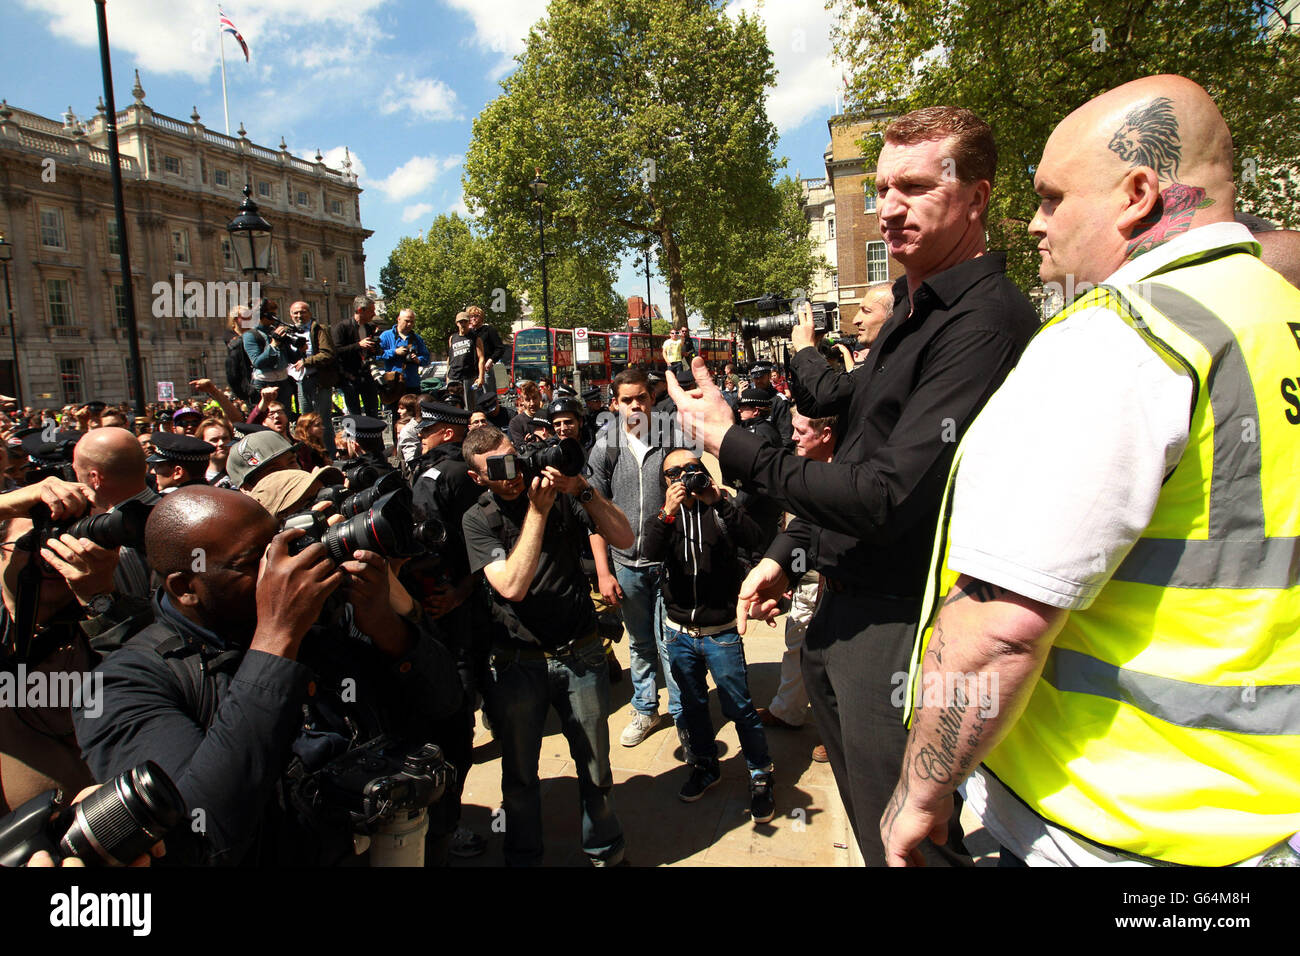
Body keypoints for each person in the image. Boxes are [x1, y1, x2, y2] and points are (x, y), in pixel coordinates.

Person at [880, 76, 1300, 869]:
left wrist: (921, 794)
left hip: (1102, 824)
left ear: (1139, 194)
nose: (1035, 223)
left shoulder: (1118, 339)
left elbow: (996, 629)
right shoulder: (1275, 313)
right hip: (1259, 823)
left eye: (1051, 196)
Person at [667, 105, 1039, 866]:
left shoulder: (986, 319)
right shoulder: (911, 308)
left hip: (900, 627)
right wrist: (786, 551)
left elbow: (884, 496)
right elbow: (859, 452)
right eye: (880, 188)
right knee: (877, 835)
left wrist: (736, 446)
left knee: (907, 845)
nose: (891, 207)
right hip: (841, 609)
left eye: (912, 187)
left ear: (976, 198)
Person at [74, 486, 462, 865]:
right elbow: (203, 837)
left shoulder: (323, 621)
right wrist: (277, 639)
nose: (282, 568)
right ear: (186, 587)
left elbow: (445, 702)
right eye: (252, 561)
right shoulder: (121, 685)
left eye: (279, 545)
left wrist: (384, 624)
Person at [460, 425, 633, 866]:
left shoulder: (559, 494)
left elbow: (624, 537)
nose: (512, 473)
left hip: (581, 651)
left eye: (512, 457)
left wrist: (583, 490)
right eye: (496, 469)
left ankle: (605, 851)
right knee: (519, 776)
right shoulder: (478, 519)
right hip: (518, 663)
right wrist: (538, 512)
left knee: (596, 767)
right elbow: (511, 586)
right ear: (478, 478)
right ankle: (523, 857)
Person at [0, 474, 152, 814]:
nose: (52, 550)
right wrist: (8, 502)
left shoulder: (115, 625)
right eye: (35, 539)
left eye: (68, 536)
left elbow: (150, 676)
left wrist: (100, 598)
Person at [640, 449, 774, 820]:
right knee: (694, 706)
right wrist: (667, 512)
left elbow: (755, 538)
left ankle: (760, 774)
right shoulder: (663, 518)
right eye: (673, 473)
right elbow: (648, 552)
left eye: (691, 469)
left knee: (739, 706)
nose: (683, 477)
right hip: (679, 632)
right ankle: (704, 766)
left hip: (721, 632)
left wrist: (720, 501)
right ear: (664, 481)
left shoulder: (720, 509)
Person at [587, 368, 684, 749]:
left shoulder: (672, 440)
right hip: (627, 566)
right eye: (627, 399)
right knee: (641, 643)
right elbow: (592, 513)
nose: (635, 405)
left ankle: (682, 712)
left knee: (671, 642)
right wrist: (602, 571)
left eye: (641, 397)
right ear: (615, 403)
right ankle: (645, 707)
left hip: (669, 563)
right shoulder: (605, 448)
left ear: (651, 399)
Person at [758, 412, 836, 744]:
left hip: (838, 588)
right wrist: (787, 576)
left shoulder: (850, 474)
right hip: (805, 580)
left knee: (834, 658)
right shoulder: (800, 468)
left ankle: (831, 731)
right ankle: (787, 710)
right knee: (797, 644)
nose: (792, 437)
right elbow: (796, 529)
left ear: (827, 434)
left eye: (801, 431)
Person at [288, 301, 339, 457]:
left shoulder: (319, 329)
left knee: (323, 421)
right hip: (300, 381)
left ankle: (329, 455)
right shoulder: (290, 331)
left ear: (309, 313)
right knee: (305, 421)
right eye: (295, 313)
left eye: (302, 312)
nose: (299, 316)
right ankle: (310, 455)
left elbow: (328, 353)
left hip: (319, 380)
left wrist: (306, 361)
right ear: (291, 315)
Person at [379, 309, 431, 439]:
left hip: (412, 384)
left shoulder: (416, 338)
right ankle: (397, 448)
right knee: (396, 418)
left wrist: (417, 359)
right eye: (407, 321)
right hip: (394, 386)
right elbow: (377, 355)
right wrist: (394, 352)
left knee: (415, 417)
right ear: (398, 319)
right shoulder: (386, 336)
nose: (409, 324)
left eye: (412, 322)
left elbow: (426, 358)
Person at [242, 299, 297, 413]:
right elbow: (257, 362)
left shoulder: (275, 331)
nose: (275, 317)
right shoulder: (251, 335)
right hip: (264, 384)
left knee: (284, 417)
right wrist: (273, 345)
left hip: (283, 382)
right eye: (272, 314)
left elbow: (291, 358)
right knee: (267, 417)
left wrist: (300, 350)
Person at [332, 295, 382, 418]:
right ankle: (358, 437)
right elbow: (336, 351)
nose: (373, 314)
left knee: (373, 412)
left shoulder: (370, 327)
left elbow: (376, 351)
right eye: (371, 311)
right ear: (360, 310)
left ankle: (374, 436)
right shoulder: (342, 327)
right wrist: (358, 345)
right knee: (355, 415)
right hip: (350, 377)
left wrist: (374, 348)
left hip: (367, 374)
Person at [145, 432, 216, 492]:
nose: (153, 471)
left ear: (178, 472)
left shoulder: (166, 504)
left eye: (159, 466)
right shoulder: (220, 496)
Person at [449, 312, 487, 408]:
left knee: (470, 406)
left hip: (469, 377)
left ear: (468, 322)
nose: (463, 324)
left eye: (465, 321)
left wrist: (481, 377)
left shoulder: (475, 338)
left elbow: (481, 358)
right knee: (454, 404)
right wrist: (447, 376)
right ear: (457, 323)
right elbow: (450, 357)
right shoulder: (452, 338)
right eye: (460, 322)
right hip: (454, 376)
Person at [200, 418, 235, 489]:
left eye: (225, 438)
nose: (221, 443)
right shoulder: (197, 478)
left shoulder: (242, 474)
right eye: (214, 440)